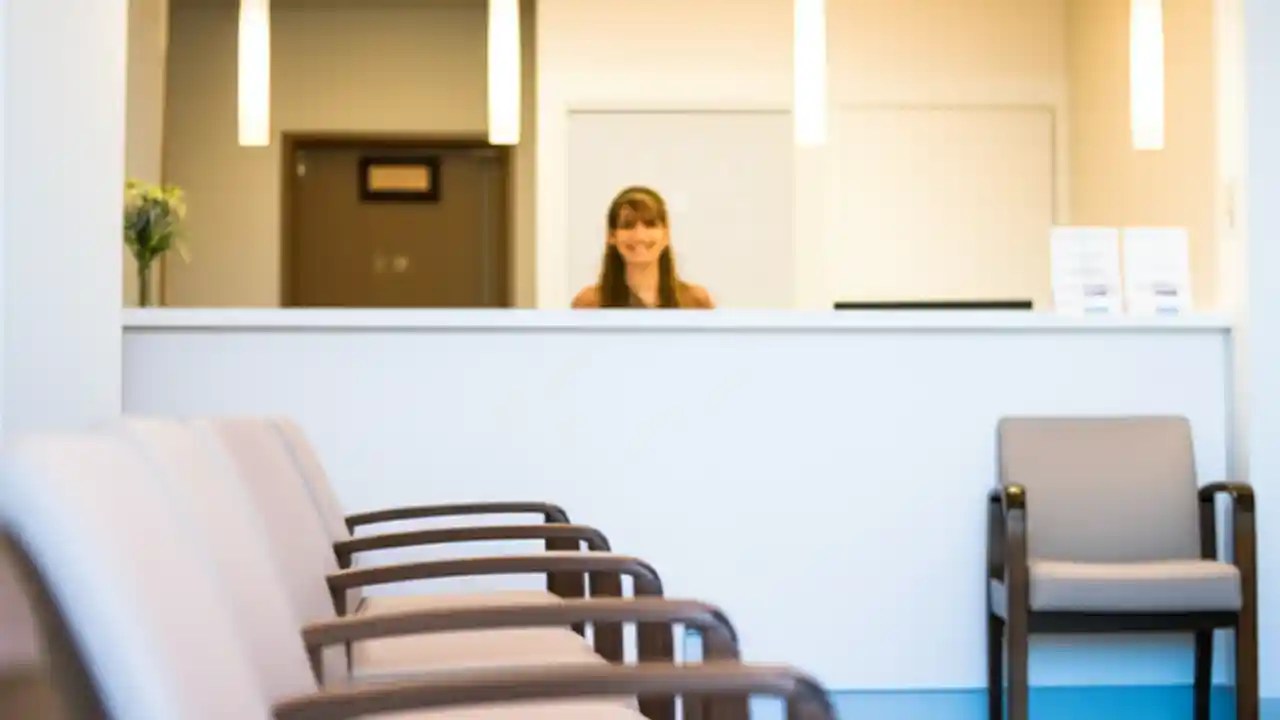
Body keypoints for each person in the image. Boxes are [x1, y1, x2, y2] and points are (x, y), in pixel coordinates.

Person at [572, 186, 715, 309]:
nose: (640, 236)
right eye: (627, 225)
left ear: (666, 234)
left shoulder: (695, 301)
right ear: (612, 236)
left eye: (650, 224)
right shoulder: (589, 304)